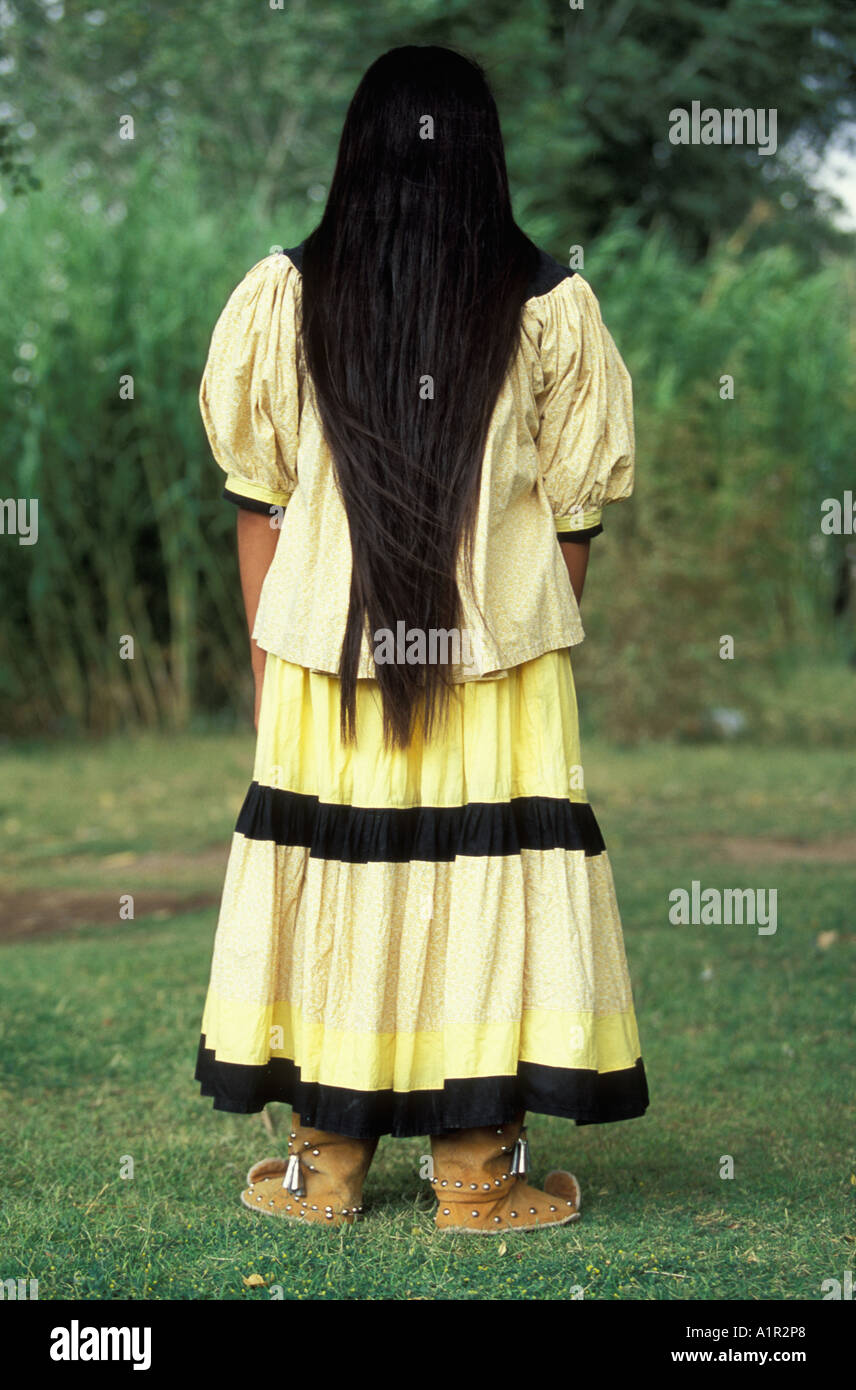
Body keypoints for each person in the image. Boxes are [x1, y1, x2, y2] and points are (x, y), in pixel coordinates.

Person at [195, 44, 648, 1235]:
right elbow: (569, 529)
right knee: (482, 877)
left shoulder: (283, 296)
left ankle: (325, 1170)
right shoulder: (552, 308)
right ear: (482, 156)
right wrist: (536, 644)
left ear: (359, 154)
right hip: (497, 668)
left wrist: (268, 673)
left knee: (341, 869)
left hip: (326, 667)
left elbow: (262, 510)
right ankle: (474, 1179)